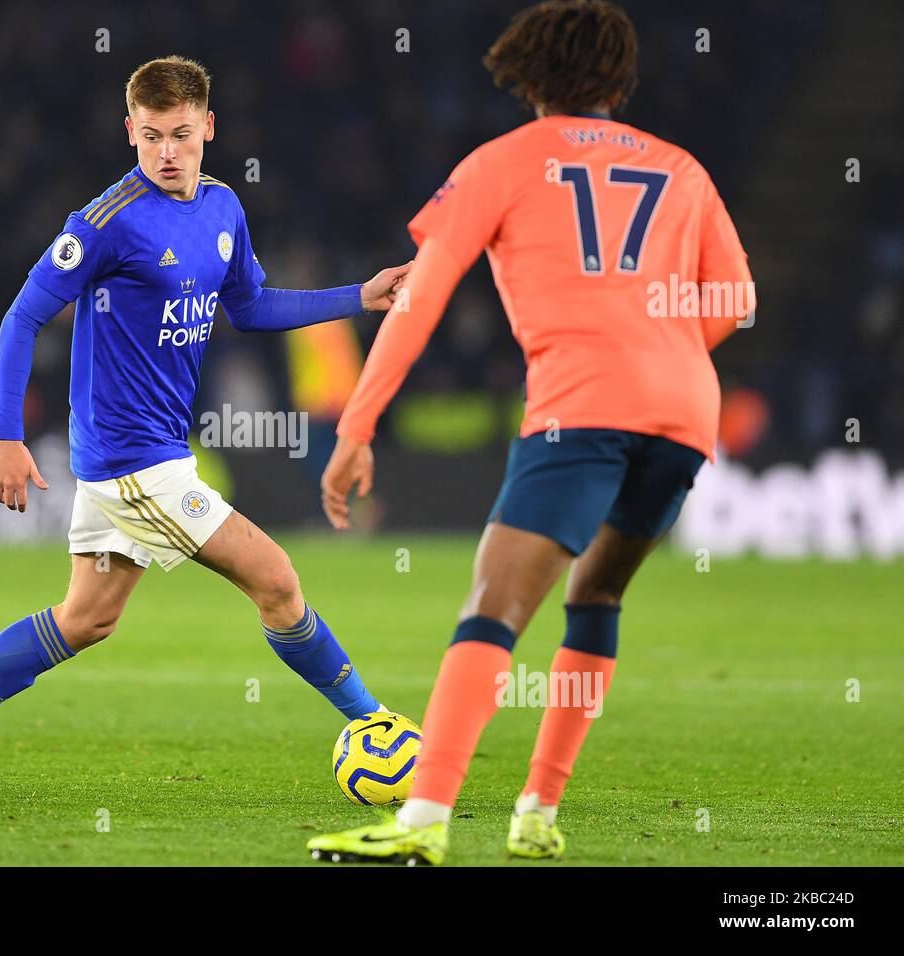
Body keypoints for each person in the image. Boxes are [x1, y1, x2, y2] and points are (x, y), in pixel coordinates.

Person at [0, 55, 411, 790]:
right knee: (278, 582)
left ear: (208, 129)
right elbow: (21, 316)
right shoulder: (105, 221)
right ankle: (374, 723)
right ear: (130, 130)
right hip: (133, 465)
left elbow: (251, 307)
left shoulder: (223, 208)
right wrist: (5, 434)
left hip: (151, 457)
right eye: (151, 135)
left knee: (85, 618)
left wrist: (360, 296)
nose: (166, 152)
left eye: (181, 135)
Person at [308, 0, 754, 864]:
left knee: (493, 609)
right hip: (683, 414)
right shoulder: (681, 168)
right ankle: (537, 814)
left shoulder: (503, 163)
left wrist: (357, 424)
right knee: (595, 598)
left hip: (582, 407)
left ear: (526, 73)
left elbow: (423, 296)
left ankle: (421, 823)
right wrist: (658, 347)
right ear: (618, 78)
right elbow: (735, 300)